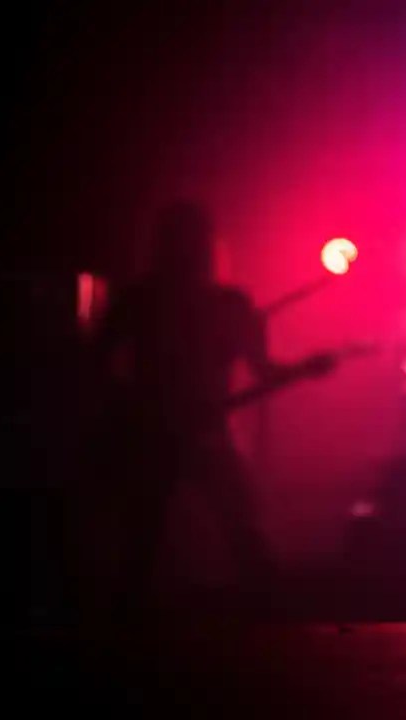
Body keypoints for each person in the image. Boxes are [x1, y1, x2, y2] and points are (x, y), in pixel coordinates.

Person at [95, 201, 278, 611]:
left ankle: (122, 625)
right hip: (165, 434)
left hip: (181, 433)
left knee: (158, 537)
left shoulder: (155, 299)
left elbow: (97, 361)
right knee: (153, 537)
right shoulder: (157, 300)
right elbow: (98, 362)